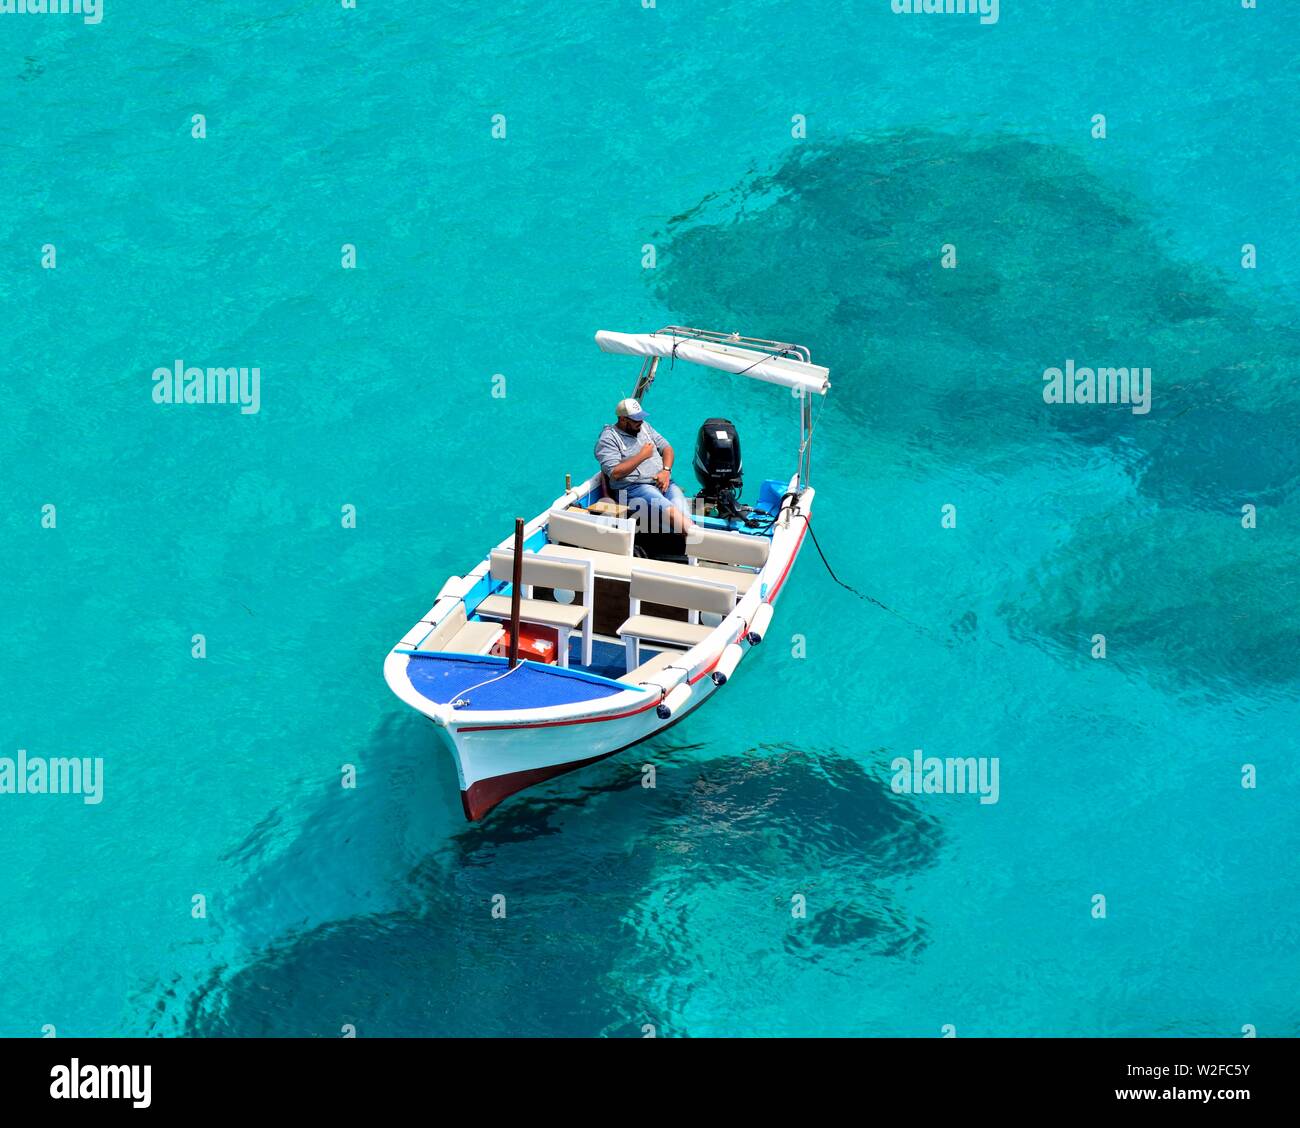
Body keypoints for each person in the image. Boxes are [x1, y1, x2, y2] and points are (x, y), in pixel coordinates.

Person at [593, 398, 695, 534]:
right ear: (623, 419)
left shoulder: (644, 427)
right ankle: (705, 543)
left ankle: (695, 547)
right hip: (634, 488)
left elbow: (667, 448)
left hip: (664, 482)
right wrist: (642, 456)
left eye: (641, 418)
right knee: (671, 512)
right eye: (636, 420)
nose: (640, 422)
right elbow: (614, 472)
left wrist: (666, 471)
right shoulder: (608, 439)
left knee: (683, 514)